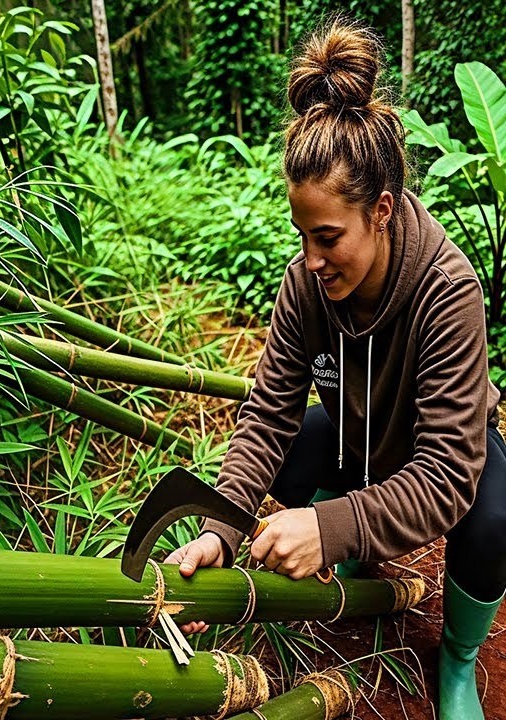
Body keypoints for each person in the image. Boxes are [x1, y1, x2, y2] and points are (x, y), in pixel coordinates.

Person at [163, 21, 504, 720]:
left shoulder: (448, 289)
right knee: (283, 450)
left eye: (328, 239)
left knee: (497, 515)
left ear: (381, 211)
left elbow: (445, 474)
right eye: (302, 237)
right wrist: (218, 531)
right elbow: (265, 415)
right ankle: (355, 554)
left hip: (438, 455)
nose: (312, 261)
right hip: (357, 439)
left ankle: (459, 660)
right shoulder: (305, 284)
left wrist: (332, 524)